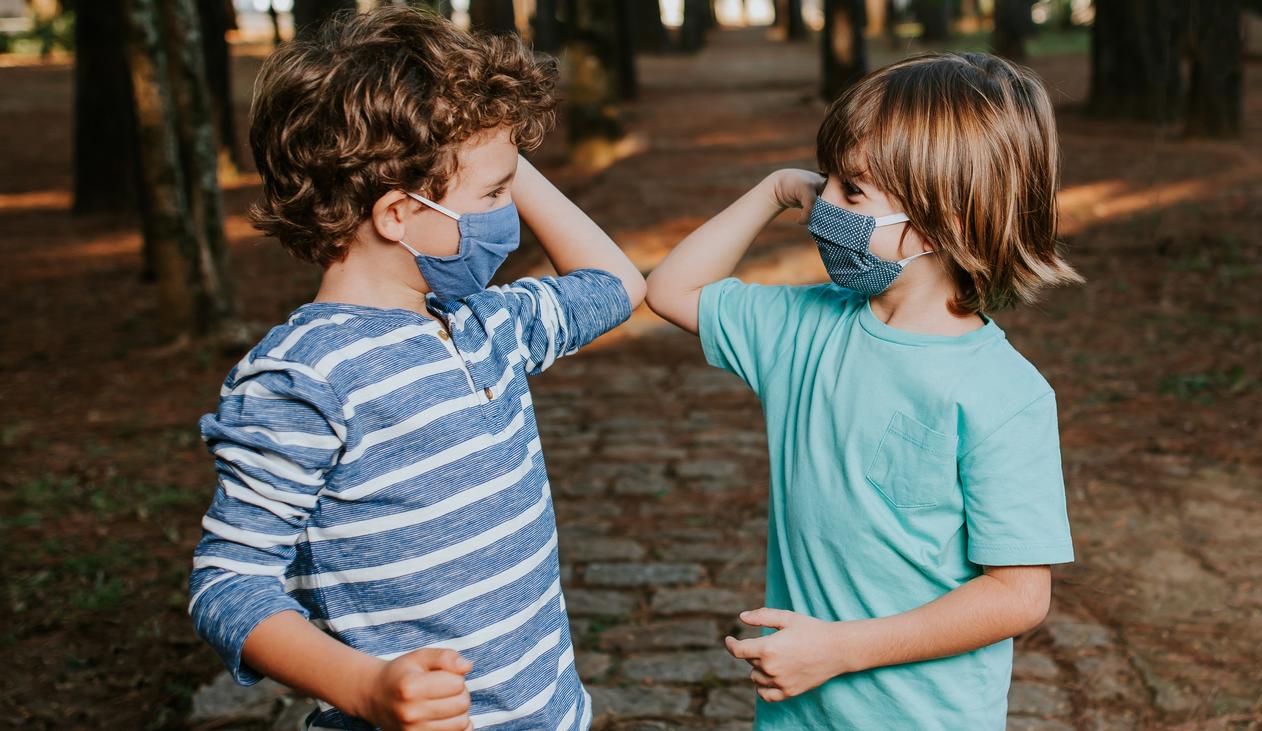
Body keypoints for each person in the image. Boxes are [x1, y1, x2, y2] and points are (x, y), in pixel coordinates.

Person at [187, 8, 644, 730]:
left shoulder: (485, 324)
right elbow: (228, 581)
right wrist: (365, 687)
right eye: (496, 194)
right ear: (398, 213)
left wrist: (495, 146)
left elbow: (616, 284)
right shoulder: (303, 377)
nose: (511, 208)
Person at [645, 52, 1082, 730]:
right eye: (825, 184)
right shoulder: (803, 326)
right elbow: (671, 290)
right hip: (799, 709)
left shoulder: (1005, 393)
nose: (822, 208)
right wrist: (773, 189)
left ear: (945, 223)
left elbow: (1020, 595)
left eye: (852, 193)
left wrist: (840, 650)